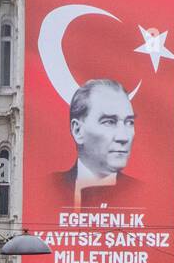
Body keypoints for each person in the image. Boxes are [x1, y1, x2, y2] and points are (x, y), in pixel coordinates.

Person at [48, 79, 141, 209]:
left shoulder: (143, 194)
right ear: (78, 130)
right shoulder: (48, 187)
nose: (124, 137)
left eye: (129, 122)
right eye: (109, 122)